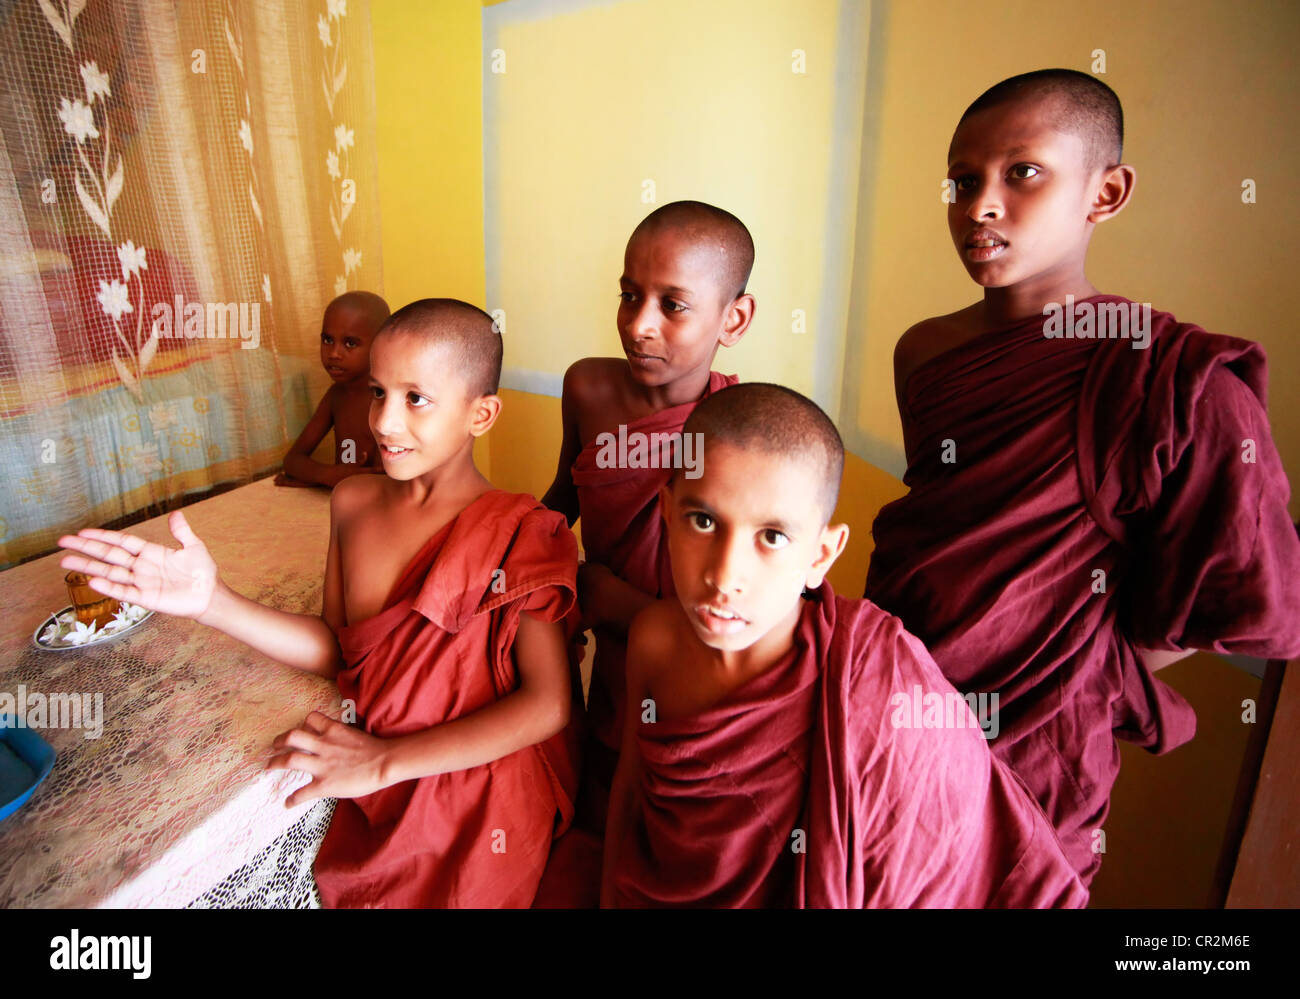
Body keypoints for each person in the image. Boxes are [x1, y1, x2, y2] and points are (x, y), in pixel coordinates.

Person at [864, 68, 1300, 883]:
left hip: (1042, 745)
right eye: (963, 181)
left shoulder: (1171, 375)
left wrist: (1084, 666)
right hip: (892, 704)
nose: (979, 205)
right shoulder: (923, 352)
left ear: (1107, 192)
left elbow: (1247, 588)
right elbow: (946, 522)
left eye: (1021, 172)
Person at [59, 299, 583, 907]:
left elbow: (547, 705)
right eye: (378, 392)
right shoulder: (354, 503)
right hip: (382, 784)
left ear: (481, 413)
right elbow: (340, 648)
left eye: (417, 398)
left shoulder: (523, 531)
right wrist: (212, 601)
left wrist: (384, 761)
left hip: (477, 785)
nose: (384, 422)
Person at [603, 383, 1087, 907]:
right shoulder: (652, 641)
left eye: (772, 537)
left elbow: (951, 852)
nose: (724, 576)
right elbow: (631, 788)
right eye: (704, 521)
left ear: (822, 554)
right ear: (666, 512)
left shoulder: (875, 682)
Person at [534, 201, 755, 905]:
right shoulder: (589, 387)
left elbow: (739, 599)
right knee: (603, 796)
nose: (639, 323)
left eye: (673, 304)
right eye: (630, 294)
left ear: (734, 319)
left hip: (697, 666)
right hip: (611, 659)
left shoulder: (743, 431)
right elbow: (558, 505)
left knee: (678, 824)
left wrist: (604, 593)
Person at [275, 290, 390, 489]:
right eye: (328, 340)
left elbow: (389, 481)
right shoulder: (337, 395)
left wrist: (322, 477)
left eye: (350, 343)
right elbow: (292, 460)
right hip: (341, 498)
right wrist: (327, 475)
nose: (334, 354)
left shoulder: (388, 400)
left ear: (381, 345)